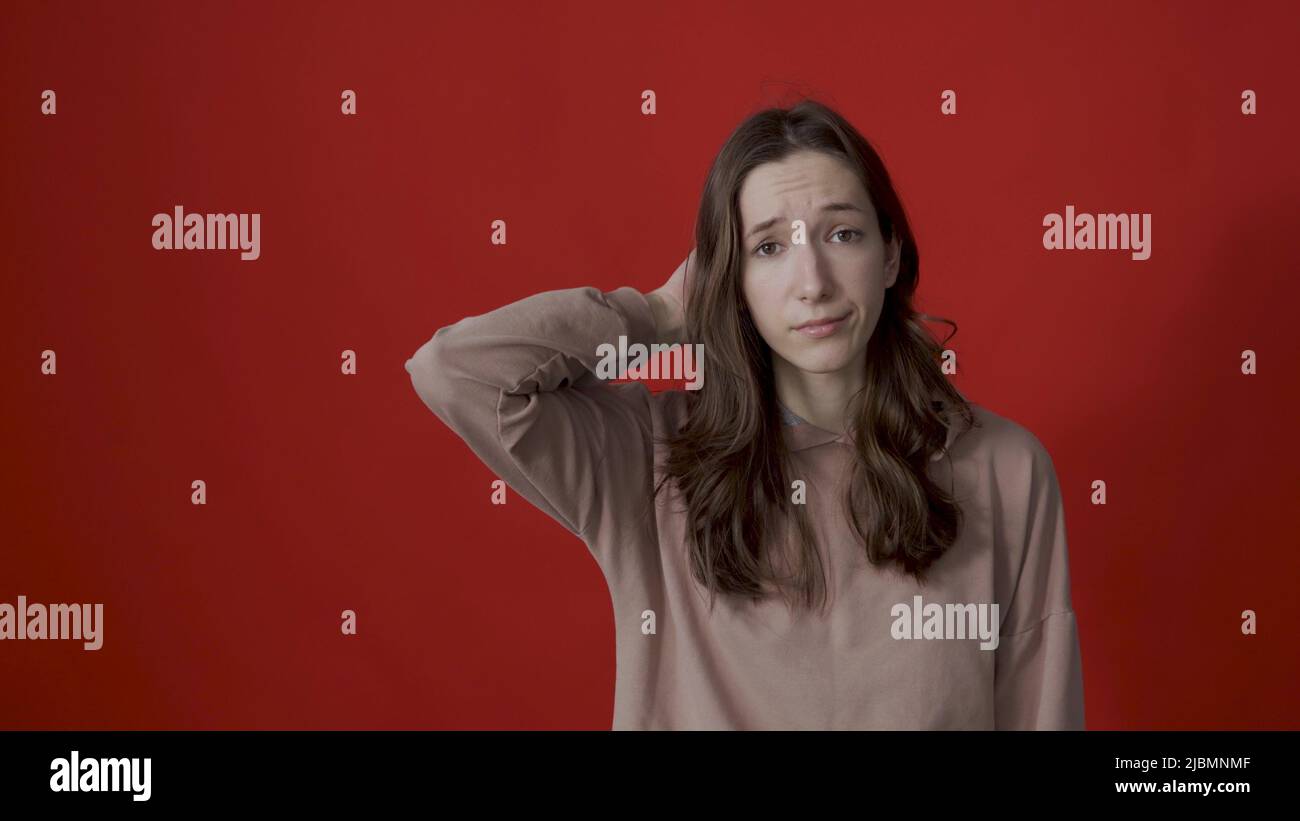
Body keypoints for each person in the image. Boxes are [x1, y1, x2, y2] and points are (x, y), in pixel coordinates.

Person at [405, 98, 1085, 730]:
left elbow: (1040, 710)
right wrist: (661, 312)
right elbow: (457, 372)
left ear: (891, 255)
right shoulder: (649, 456)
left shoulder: (1006, 467)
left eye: (843, 233)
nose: (813, 282)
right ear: (731, 279)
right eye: (768, 247)